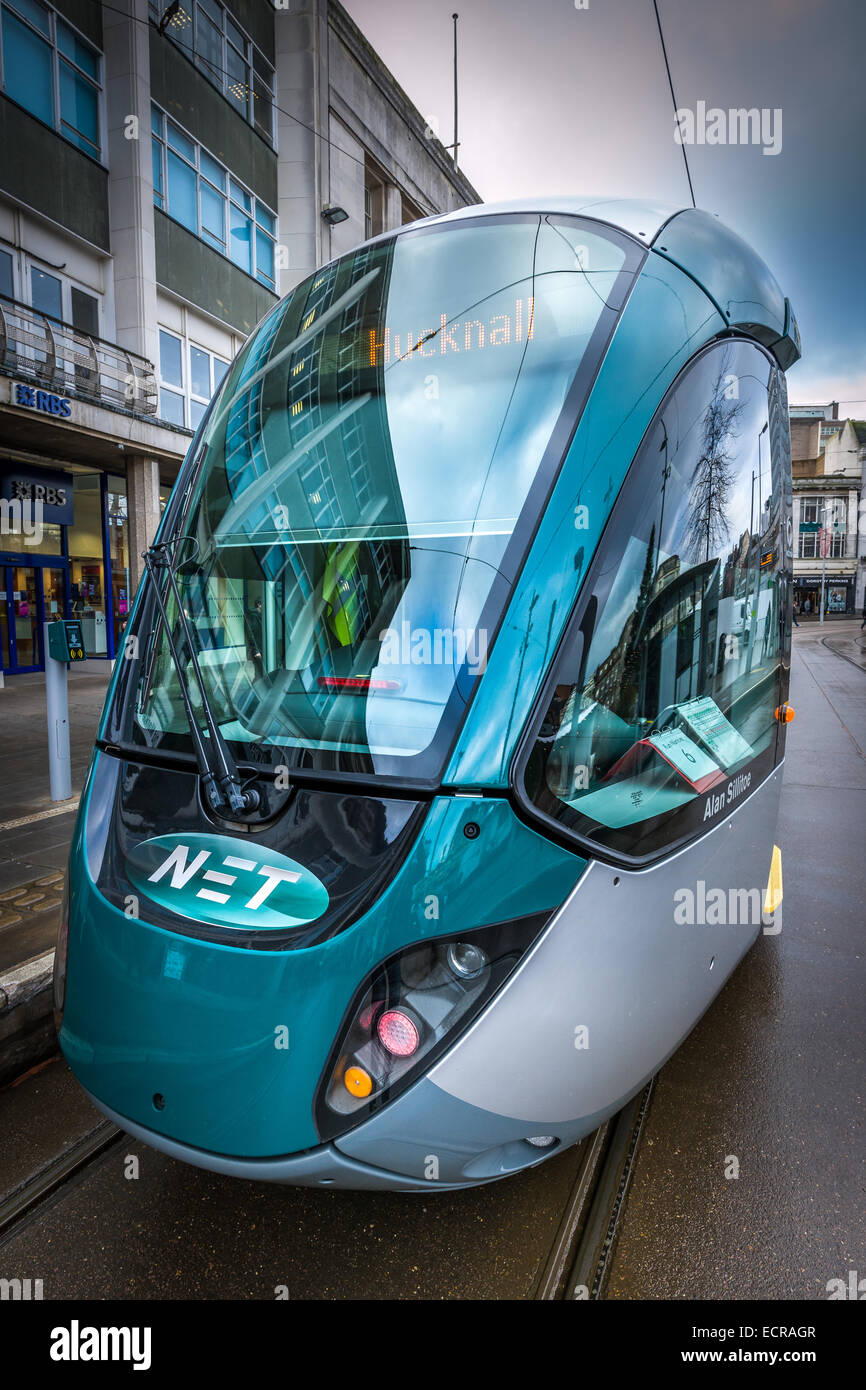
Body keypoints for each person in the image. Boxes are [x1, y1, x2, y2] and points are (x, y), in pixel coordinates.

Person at [246, 598, 263, 679]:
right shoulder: (254, 617)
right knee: (258, 673)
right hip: (258, 650)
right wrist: (256, 651)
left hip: (261, 648)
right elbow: (252, 635)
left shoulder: (261, 616)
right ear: (259, 605)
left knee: (260, 672)